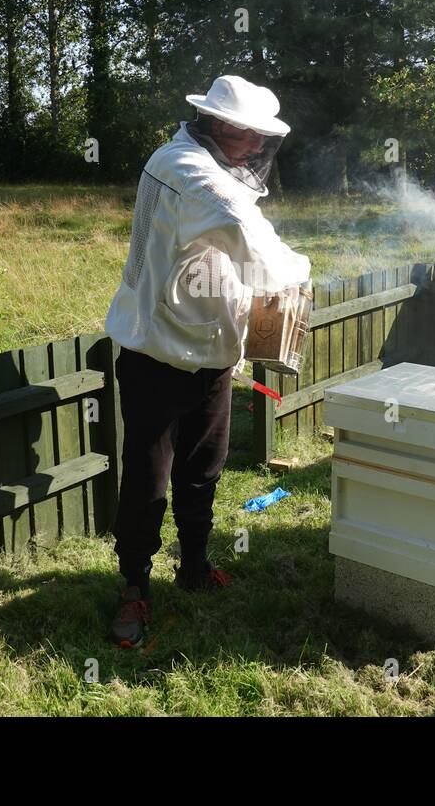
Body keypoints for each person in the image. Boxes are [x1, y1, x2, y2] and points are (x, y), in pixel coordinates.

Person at [103, 74, 311, 648]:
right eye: (251, 138)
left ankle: (193, 565)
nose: (258, 150)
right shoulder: (185, 169)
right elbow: (247, 232)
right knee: (148, 479)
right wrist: (300, 272)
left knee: (205, 466)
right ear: (222, 126)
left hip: (210, 351)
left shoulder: (208, 164)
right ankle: (133, 587)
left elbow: (239, 240)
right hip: (157, 350)